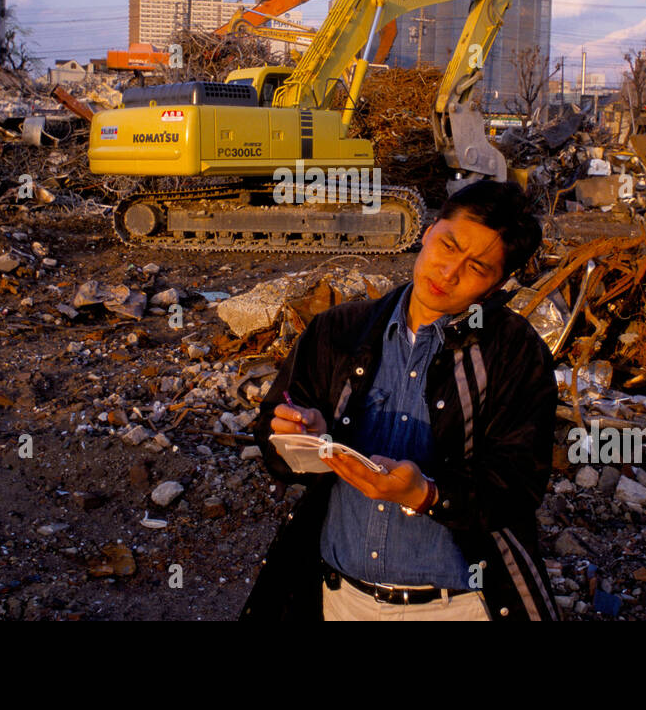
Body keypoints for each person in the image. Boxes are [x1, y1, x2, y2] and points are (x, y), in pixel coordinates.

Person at [239, 179, 561, 621]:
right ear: (428, 230)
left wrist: (429, 494)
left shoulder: (515, 354)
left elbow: (518, 487)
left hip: (458, 608)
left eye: (476, 268)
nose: (448, 273)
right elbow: (272, 439)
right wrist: (299, 435)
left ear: (497, 284)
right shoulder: (338, 331)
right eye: (448, 245)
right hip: (339, 601)